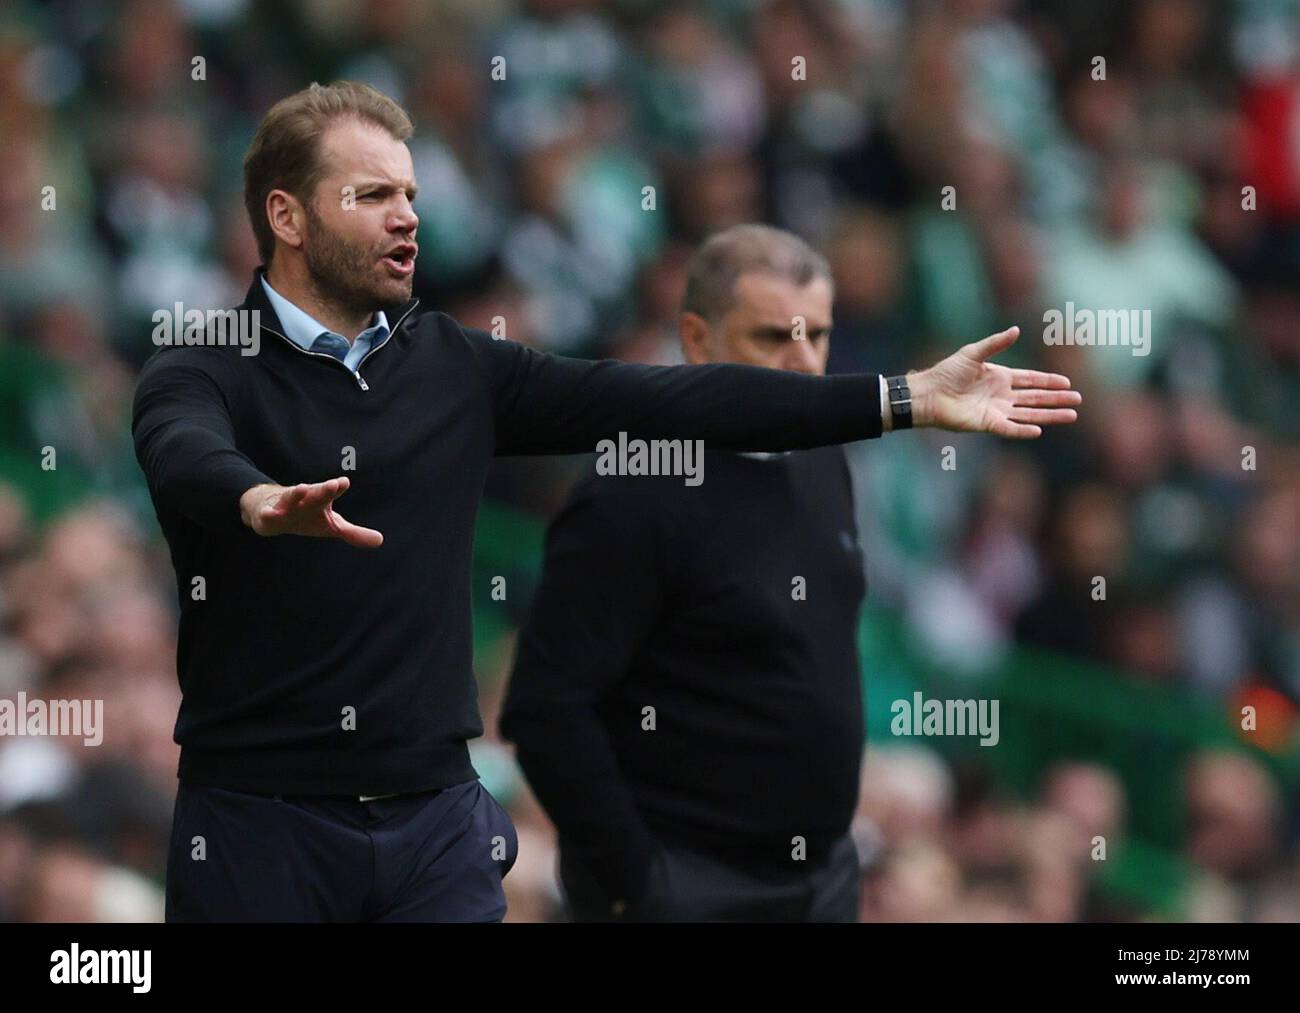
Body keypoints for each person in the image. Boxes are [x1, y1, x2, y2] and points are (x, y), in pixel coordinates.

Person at [131, 82, 1080, 922]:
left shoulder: (455, 366)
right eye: (373, 195)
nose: (407, 216)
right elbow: (183, 453)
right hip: (259, 821)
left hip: (432, 824)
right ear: (288, 218)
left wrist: (902, 397)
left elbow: (672, 396)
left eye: (411, 194)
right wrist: (257, 499)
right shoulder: (204, 364)